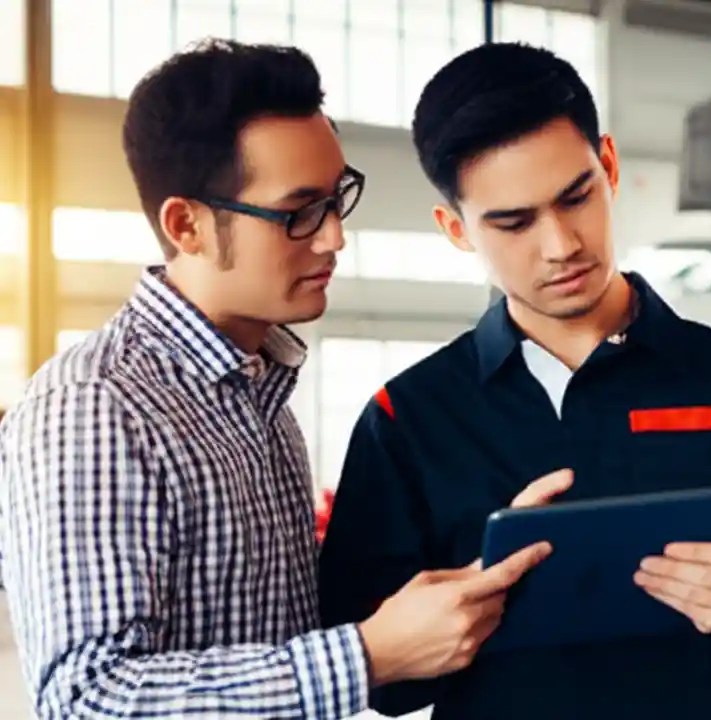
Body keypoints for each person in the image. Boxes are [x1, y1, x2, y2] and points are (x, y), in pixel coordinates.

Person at [0, 39, 548, 720]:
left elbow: (274, 640)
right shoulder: (95, 409)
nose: (332, 239)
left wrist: (475, 573)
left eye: (336, 199)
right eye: (297, 212)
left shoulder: (261, 401)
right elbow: (87, 699)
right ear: (187, 224)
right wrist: (369, 654)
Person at [317, 42, 711, 720]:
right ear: (456, 229)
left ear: (608, 165)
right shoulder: (408, 417)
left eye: (576, 197)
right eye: (513, 222)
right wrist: (445, 618)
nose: (561, 245)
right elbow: (375, 673)